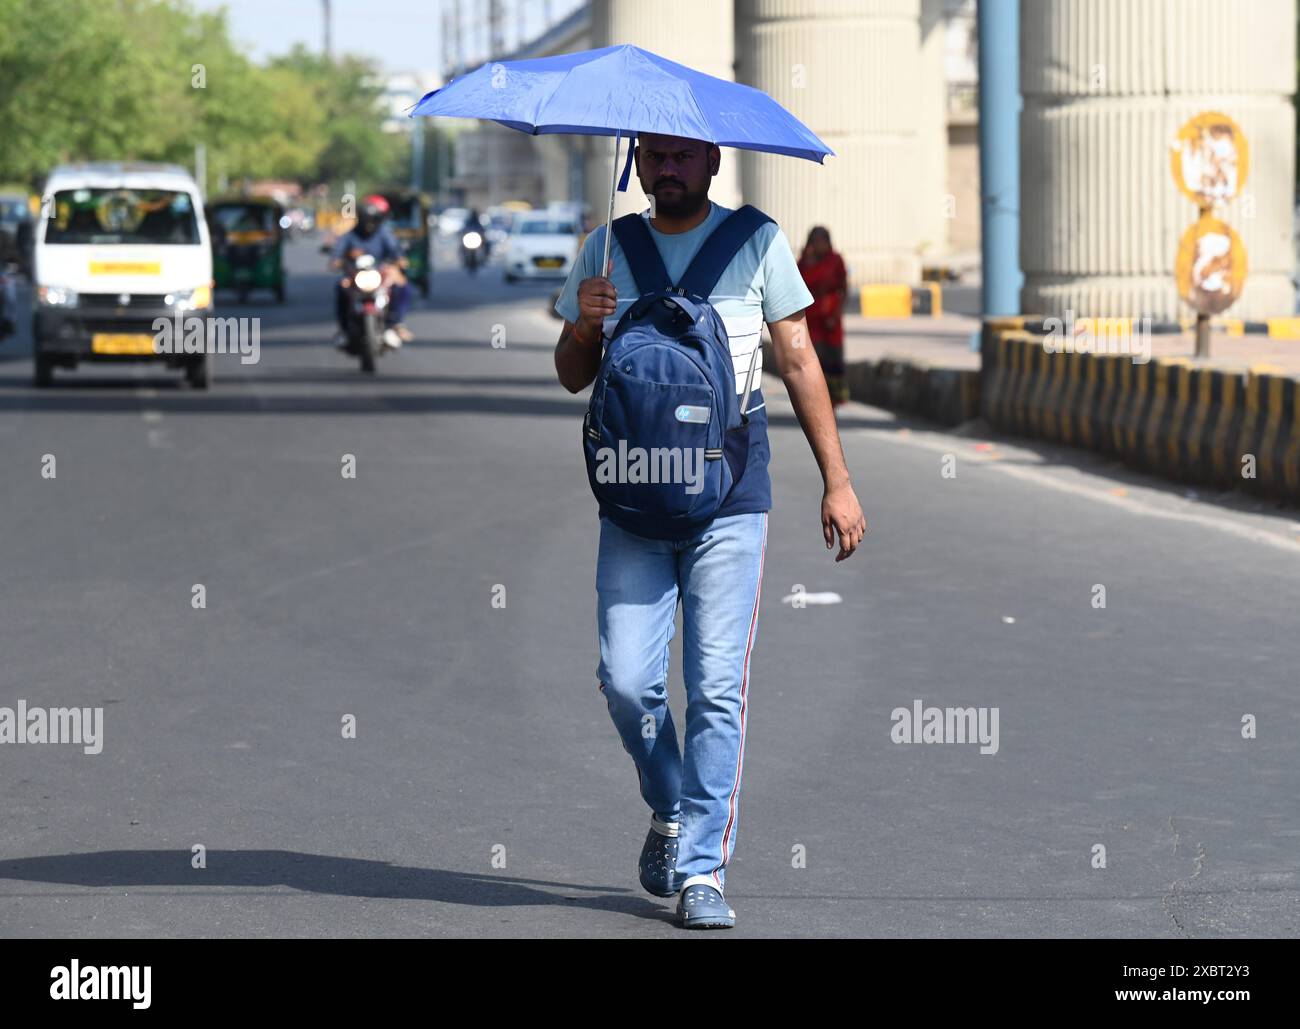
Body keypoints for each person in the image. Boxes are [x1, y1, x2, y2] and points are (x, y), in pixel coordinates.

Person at [553, 132, 867, 930]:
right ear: (640, 164)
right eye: (653, 155)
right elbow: (570, 373)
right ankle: (669, 803)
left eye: (682, 156)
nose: (666, 168)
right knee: (626, 680)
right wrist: (585, 324)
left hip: (729, 492)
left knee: (717, 689)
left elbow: (797, 361)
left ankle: (701, 870)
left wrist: (837, 480)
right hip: (631, 494)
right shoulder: (605, 248)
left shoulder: (755, 241)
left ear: (712, 164)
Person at [330, 194, 412, 348]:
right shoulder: (350, 235)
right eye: (366, 220)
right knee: (340, 287)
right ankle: (344, 328)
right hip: (355, 275)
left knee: (403, 286)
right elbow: (337, 255)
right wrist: (337, 261)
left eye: (372, 220)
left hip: (379, 274)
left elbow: (396, 251)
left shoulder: (383, 234)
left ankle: (395, 323)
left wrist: (399, 261)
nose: (369, 224)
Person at [798, 226, 849, 405]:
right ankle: (815, 400)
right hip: (812, 321)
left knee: (833, 359)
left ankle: (833, 401)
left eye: (822, 241)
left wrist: (836, 312)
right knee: (814, 361)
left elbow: (844, 287)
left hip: (831, 321)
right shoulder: (803, 263)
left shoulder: (836, 261)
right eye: (816, 241)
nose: (819, 245)